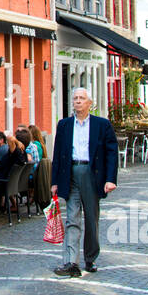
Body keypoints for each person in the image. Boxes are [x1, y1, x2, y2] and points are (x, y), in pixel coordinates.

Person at [50, 88, 118, 278]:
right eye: (75, 98)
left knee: (91, 218)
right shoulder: (64, 125)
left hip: (92, 173)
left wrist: (110, 179)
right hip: (70, 172)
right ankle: (71, 261)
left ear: (90, 103)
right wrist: (55, 181)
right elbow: (57, 154)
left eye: (82, 98)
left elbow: (112, 153)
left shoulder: (101, 125)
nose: (78, 101)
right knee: (72, 217)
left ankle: (90, 258)